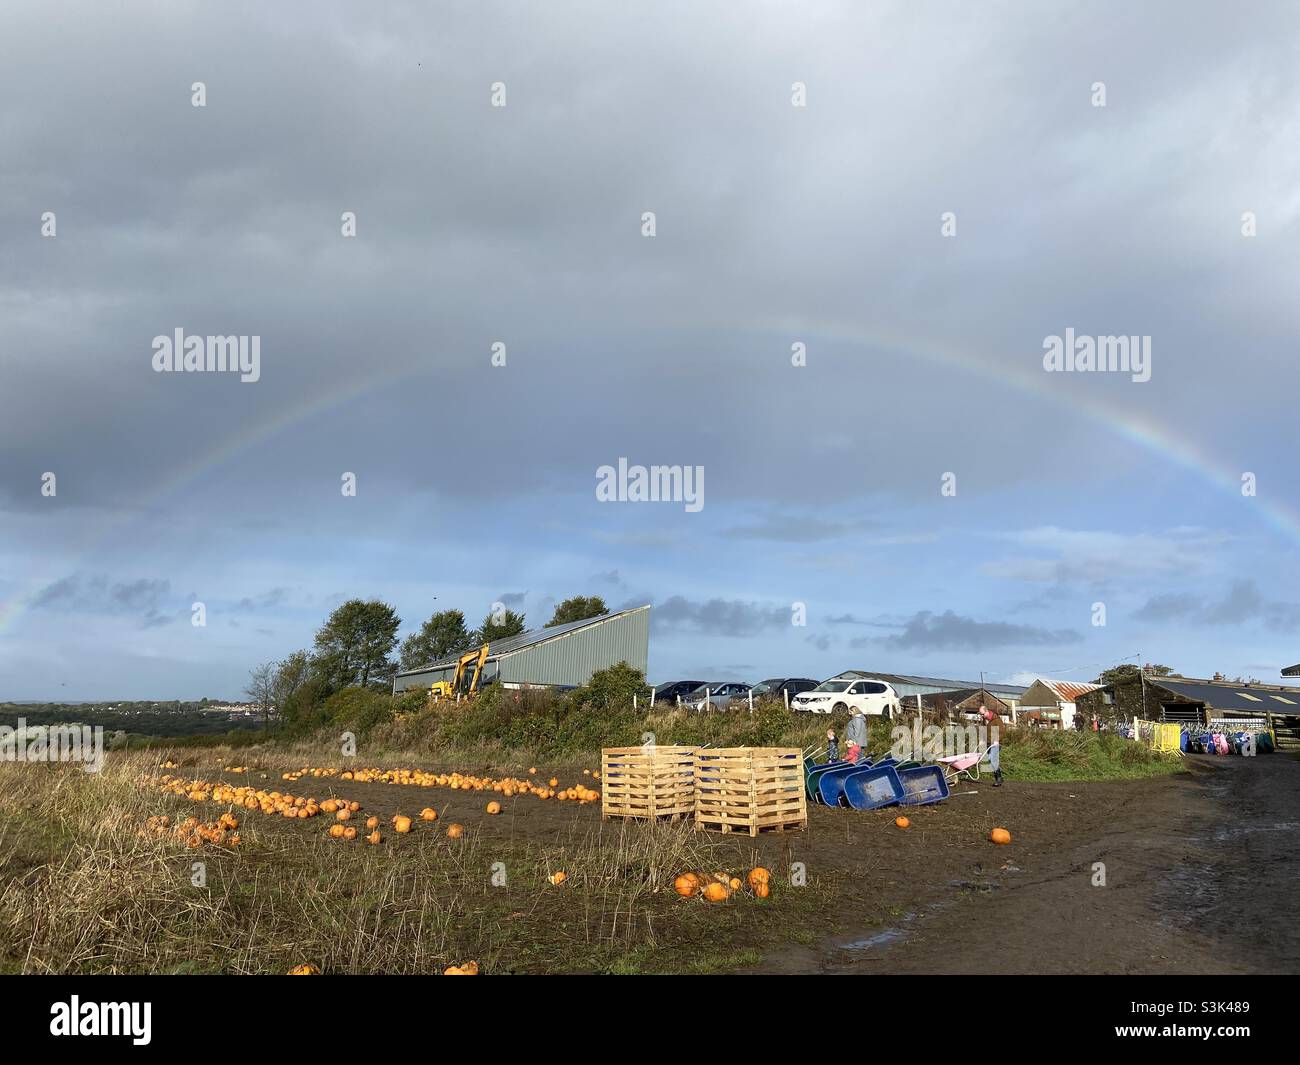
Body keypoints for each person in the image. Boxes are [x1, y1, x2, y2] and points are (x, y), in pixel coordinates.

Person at [978, 705, 1003, 787]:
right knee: (990, 759)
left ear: (987, 711)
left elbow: (1002, 732)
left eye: (983, 714)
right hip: (988, 743)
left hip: (996, 743)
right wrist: (982, 740)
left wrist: (997, 740)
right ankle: (999, 774)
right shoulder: (984, 720)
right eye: (981, 714)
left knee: (992, 759)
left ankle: (998, 779)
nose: (982, 716)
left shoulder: (996, 720)